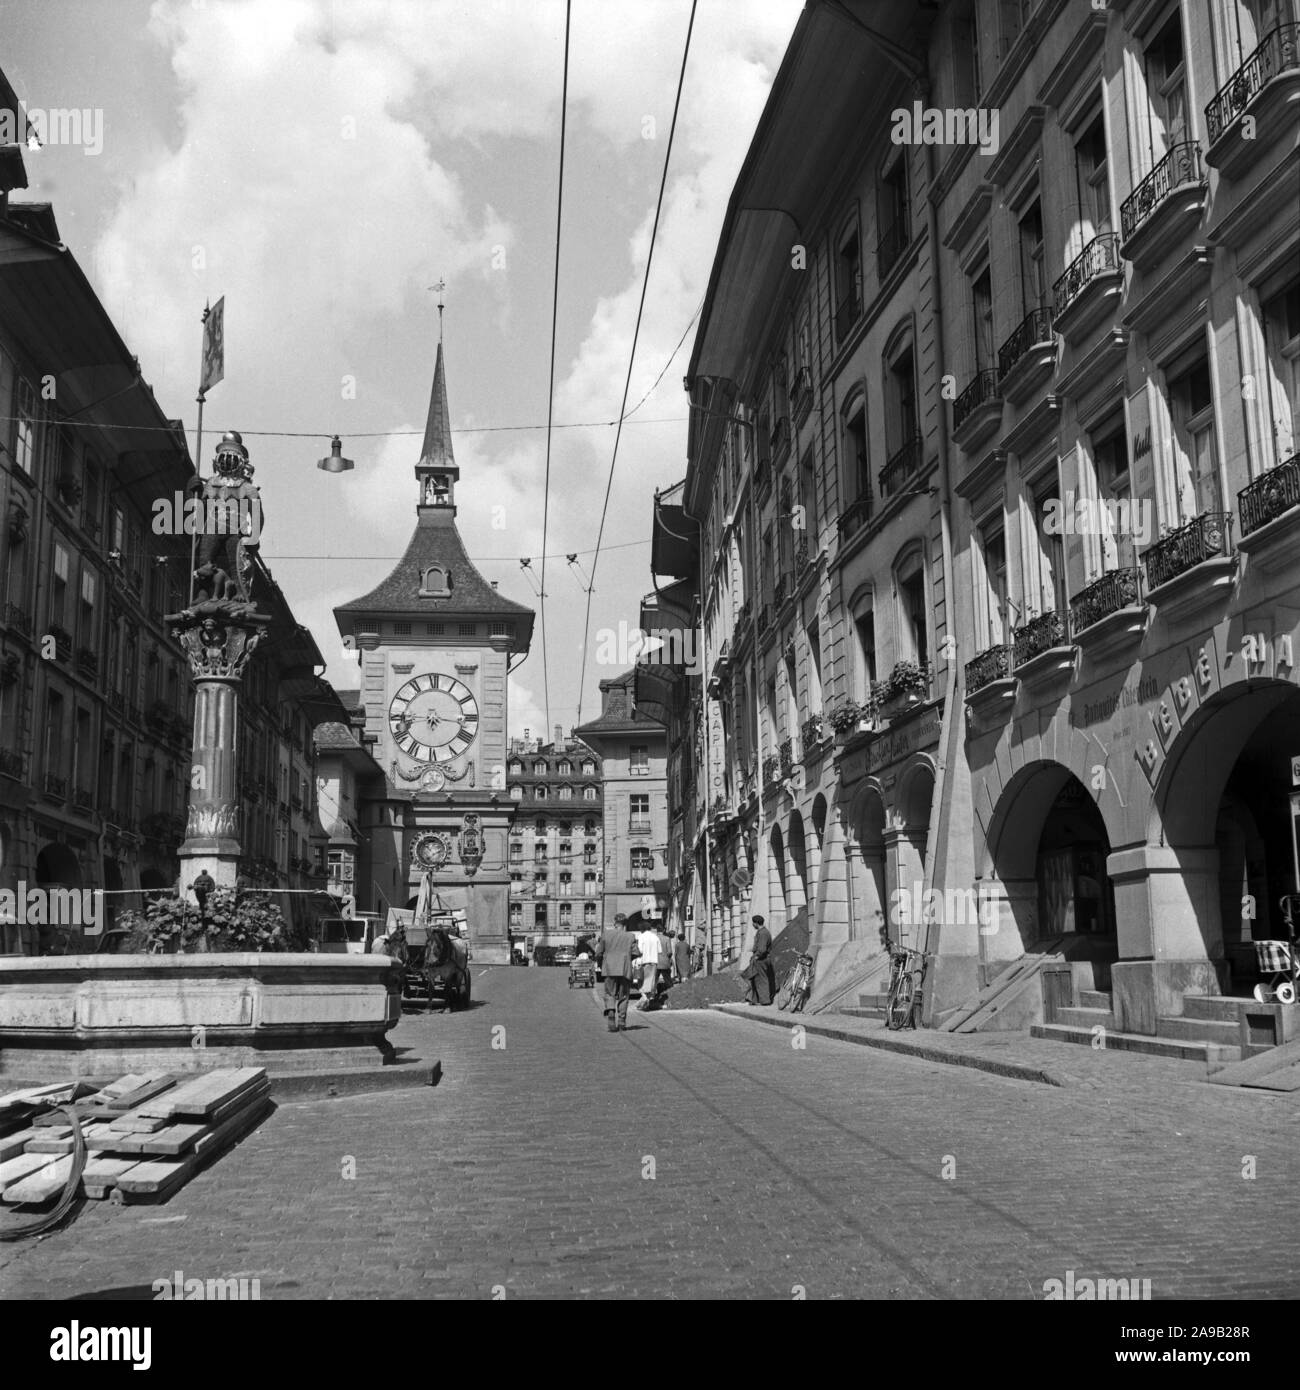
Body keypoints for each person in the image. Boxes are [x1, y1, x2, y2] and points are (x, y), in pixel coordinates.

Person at [595, 912, 640, 1032]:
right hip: (625, 969)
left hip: (609, 968)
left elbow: (598, 953)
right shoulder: (630, 936)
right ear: (625, 924)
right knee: (624, 996)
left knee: (609, 993)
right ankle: (621, 1021)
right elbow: (636, 953)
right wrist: (627, 959)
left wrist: (600, 963)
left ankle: (610, 1011)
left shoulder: (606, 934)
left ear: (615, 923)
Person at [742, 915, 774, 1006]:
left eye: (753, 922)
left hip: (761, 959)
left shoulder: (763, 933)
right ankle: (755, 1000)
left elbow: (762, 949)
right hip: (760, 959)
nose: (752, 924)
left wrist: (756, 957)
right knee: (755, 979)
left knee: (761, 980)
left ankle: (765, 1001)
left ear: (756, 923)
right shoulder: (762, 932)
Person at [635, 921, 663, 1010]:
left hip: (644, 961)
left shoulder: (641, 937)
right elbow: (659, 951)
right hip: (654, 961)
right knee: (651, 981)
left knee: (641, 981)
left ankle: (644, 998)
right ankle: (648, 999)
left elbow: (640, 950)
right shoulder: (655, 937)